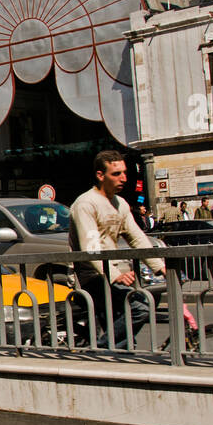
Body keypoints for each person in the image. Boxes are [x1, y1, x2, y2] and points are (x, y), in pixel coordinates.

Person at [69, 150, 165, 350]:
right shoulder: (86, 204)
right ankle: (100, 352)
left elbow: (137, 237)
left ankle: (115, 355)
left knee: (125, 338)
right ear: (100, 175)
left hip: (110, 272)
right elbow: (91, 247)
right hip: (91, 274)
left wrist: (160, 267)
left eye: (124, 173)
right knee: (140, 307)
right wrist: (114, 275)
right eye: (116, 174)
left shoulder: (120, 203)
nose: (123, 178)